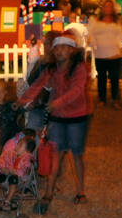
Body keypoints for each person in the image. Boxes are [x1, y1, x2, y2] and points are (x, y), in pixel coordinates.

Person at [19, 36, 92, 204]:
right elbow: (38, 85)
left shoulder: (79, 68)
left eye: (64, 48)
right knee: (56, 154)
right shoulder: (51, 69)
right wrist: (22, 101)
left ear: (72, 50)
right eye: (57, 48)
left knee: (77, 155)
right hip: (58, 117)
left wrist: (56, 103)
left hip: (77, 117)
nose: (59, 51)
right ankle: (49, 192)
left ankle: (81, 191)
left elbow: (77, 91)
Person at [89, 0, 122, 106]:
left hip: (114, 54)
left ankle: (115, 99)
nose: (108, 8)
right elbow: (90, 35)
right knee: (101, 78)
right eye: (106, 6)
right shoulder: (96, 22)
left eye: (110, 6)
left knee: (114, 78)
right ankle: (102, 99)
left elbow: (121, 36)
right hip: (100, 54)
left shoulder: (116, 23)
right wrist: (93, 44)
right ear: (102, 9)